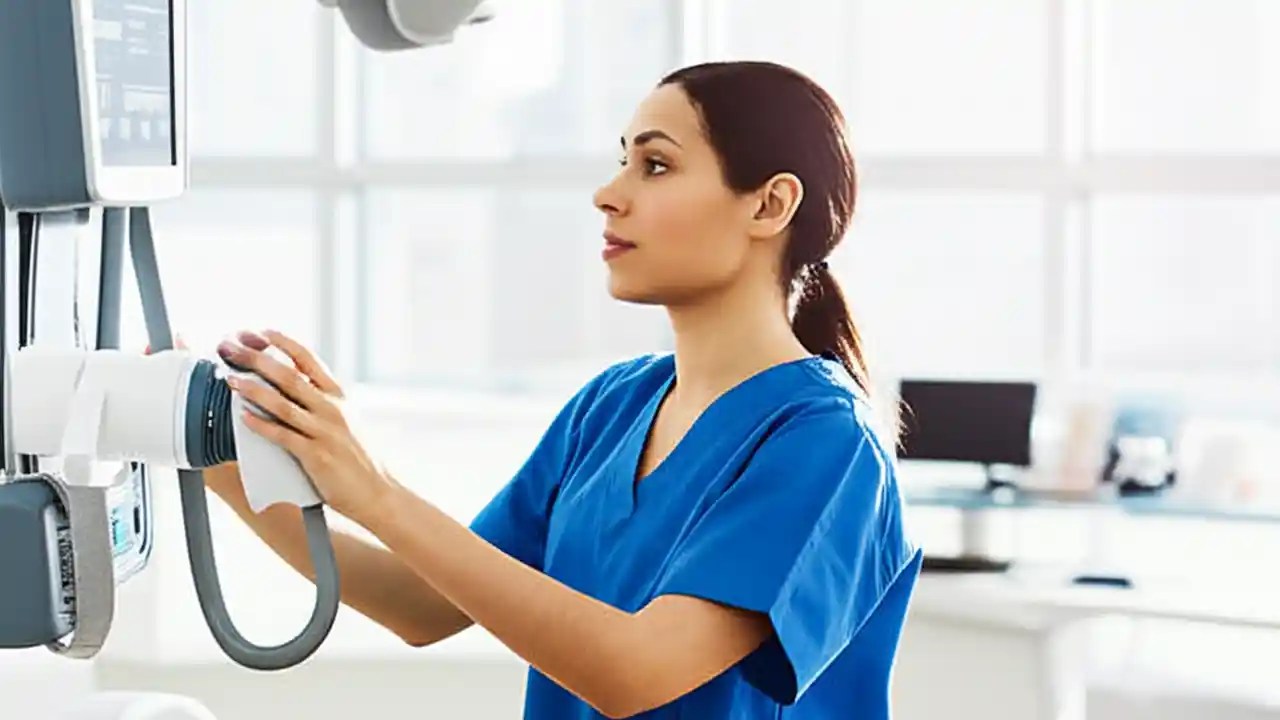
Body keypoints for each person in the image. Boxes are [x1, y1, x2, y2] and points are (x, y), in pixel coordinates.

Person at [207, 60, 921, 719]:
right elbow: (420, 604)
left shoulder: (826, 444)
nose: (608, 195)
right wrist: (215, 455)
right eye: (623, 163)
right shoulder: (612, 406)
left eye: (657, 165)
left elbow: (634, 673)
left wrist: (374, 488)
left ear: (769, 205)